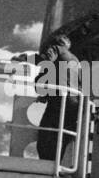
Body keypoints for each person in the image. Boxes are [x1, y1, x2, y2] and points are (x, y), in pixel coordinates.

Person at [35, 34, 81, 163]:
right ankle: (55, 166)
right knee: (62, 137)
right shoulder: (75, 60)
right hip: (75, 104)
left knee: (45, 137)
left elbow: (48, 68)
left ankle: (46, 166)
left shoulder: (54, 49)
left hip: (59, 102)